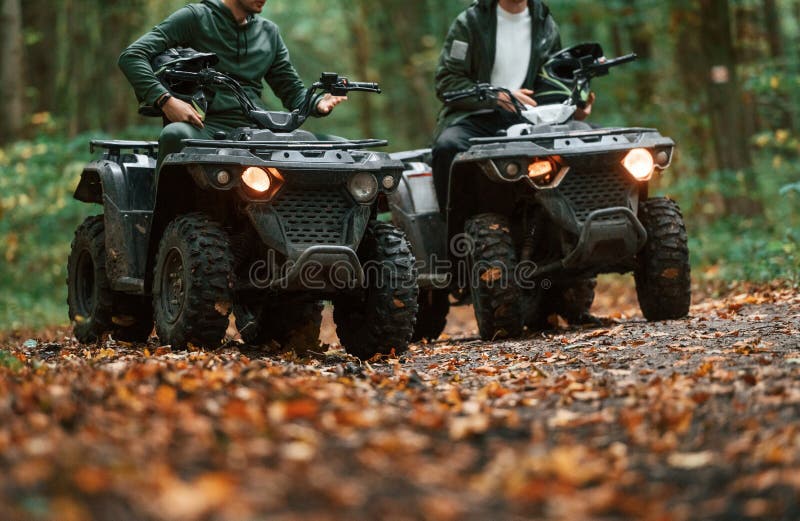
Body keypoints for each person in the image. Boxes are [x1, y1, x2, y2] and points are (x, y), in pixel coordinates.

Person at [119, 0, 346, 168]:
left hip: (258, 130)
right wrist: (166, 100)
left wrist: (317, 103)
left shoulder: (269, 33)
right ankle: (164, 221)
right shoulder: (195, 18)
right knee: (175, 134)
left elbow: (292, 91)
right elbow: (132, 56)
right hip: (204, 127)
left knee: (340, 147)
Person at [431, 0, 594, 212]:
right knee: (448, 147)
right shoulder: (470, 23)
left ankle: (576, 221)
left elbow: (550, 84)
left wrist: (573, 107)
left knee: (587, 138)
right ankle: (456, 232)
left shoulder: (546, 25)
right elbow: (447, 82)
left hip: (526, 119)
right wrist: (496, 95)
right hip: (474, 117)